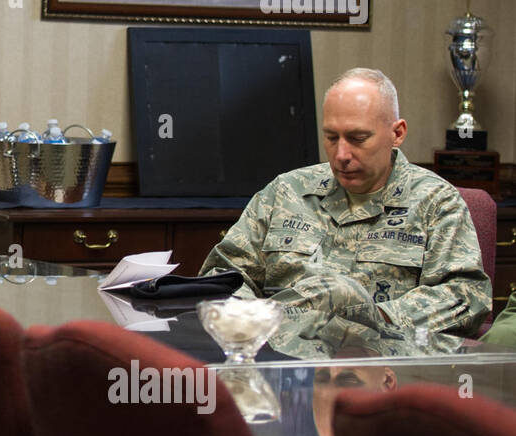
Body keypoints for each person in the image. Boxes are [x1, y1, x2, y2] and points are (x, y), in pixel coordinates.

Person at [201, 68, 490, 337]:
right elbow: (222, 275)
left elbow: (465, 294)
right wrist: (259, 319)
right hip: (281, 359)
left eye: (357, 138)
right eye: (331, 137)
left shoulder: (435, 202)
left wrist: (376, 317)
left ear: (397, 133)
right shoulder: (287, 191)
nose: (341, 154)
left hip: (382, 365)